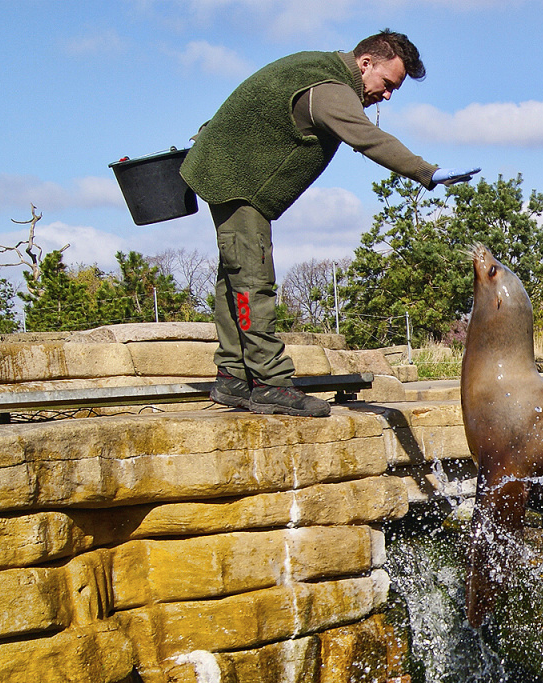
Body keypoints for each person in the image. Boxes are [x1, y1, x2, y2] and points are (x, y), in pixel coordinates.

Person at [181, 31, 479, 417]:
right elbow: (368, 138)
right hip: (237, 181)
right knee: (251, 277)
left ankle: (234, 376)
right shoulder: (330, 89)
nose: (387, 95)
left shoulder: (317, 67)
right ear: (365, 64)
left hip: (226, 172)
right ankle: (269, 383)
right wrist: (428, 171)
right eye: (387, 85)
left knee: (234, 276)